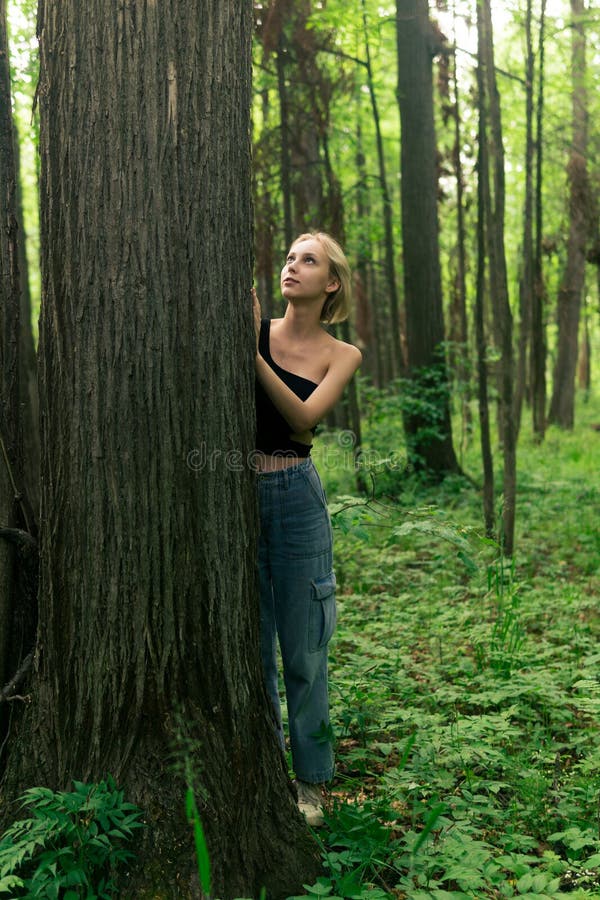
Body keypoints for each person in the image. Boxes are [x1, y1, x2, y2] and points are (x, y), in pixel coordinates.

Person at [252, 232, 362, 827]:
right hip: (234, 501)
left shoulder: (341, 354)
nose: (293, 266)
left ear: (332, 283)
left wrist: (251, 355)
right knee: (250, 651)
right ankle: (265, 770)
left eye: (309, 260)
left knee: (305, 650)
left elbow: (300, 423)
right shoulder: (255, 326)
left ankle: (310, 784)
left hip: (296, 497)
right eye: (290, 256)